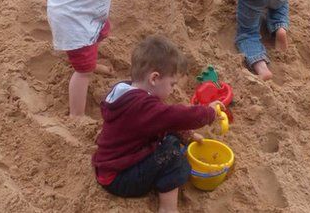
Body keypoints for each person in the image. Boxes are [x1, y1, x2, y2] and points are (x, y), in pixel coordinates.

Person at [92, 35, 223, 213]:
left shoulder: (125, 91)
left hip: (110, 168)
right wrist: (210, 112)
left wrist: (187, 134)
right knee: (173, 155)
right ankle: (168, 209)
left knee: (169, 138)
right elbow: (178, 116)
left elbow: (159, 122)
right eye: (172, 84)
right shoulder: (143, 107)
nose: (173, 90)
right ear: (154, 78)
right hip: (121, 179)